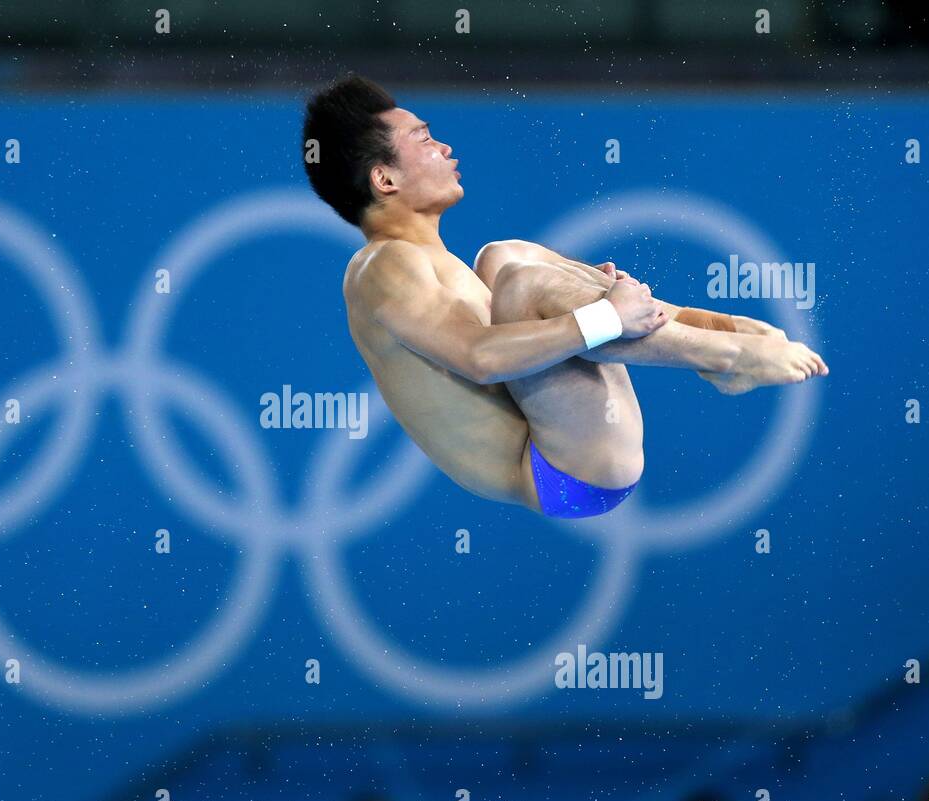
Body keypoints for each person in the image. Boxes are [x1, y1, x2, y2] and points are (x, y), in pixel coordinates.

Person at [302, 75, 828, 519]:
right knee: (524, 286)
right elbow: (479, 358)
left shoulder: (428, 261)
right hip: (558, 471)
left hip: (569, 443)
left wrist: (598, 308)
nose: (445, 148)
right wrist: (602, 314)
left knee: (507, 257)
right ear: (384, 178)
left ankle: (717, 329)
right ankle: (726, 355)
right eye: (423, 139)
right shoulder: (382, 265)